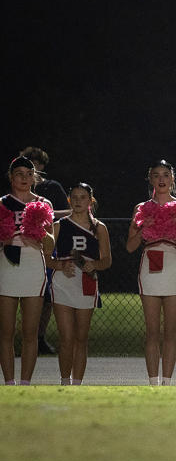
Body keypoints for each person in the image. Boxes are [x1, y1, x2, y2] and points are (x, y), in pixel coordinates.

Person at [126, 160, 176, 385]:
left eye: (166, 175)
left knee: (170, 329)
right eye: (156, 175)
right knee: (151, 330)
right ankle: (152, 383)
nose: (161, 179)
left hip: (173, 264)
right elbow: (130, 247)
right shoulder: (141, 208)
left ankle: (167, 383)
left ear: (172, 179)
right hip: (149, 264)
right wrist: (142, 227)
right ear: (150, 179)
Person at [48, 183, 112, 385]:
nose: (78, 201)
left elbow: (107, 261)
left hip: (86, 282)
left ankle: (77, 384)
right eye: (74, 197)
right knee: (66, 337)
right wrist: (59, 265)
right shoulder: (58, 225)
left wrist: (94, 265)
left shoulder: (99, 228)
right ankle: (64, 381)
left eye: (82, 197)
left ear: (90, 201)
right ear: (69, 200)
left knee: (81, 337)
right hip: (63, 282)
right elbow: (46, 257)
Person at [0, 156, 54, 384]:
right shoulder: (2, 203)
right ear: (11, 177)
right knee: (6, 332)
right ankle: (10, 383)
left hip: (33, 265)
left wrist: (40, 234)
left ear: (34, 177)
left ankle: (26, 383)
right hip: (7, 265)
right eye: (19, 174)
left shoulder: (44, 203)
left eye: (28, 174)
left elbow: (51, 244)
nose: (24, 178)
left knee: (30, 332)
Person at [20, 146, 69, 356]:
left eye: (36, 162)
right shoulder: (18, 187)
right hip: (21, 246)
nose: (33, 165)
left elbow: (70, 210)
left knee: (46, 295)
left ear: (42, 165)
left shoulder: (52, 187)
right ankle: (22, 338)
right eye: (28, 161)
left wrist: (43, 212)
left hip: (46, 244)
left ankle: (39, 337)